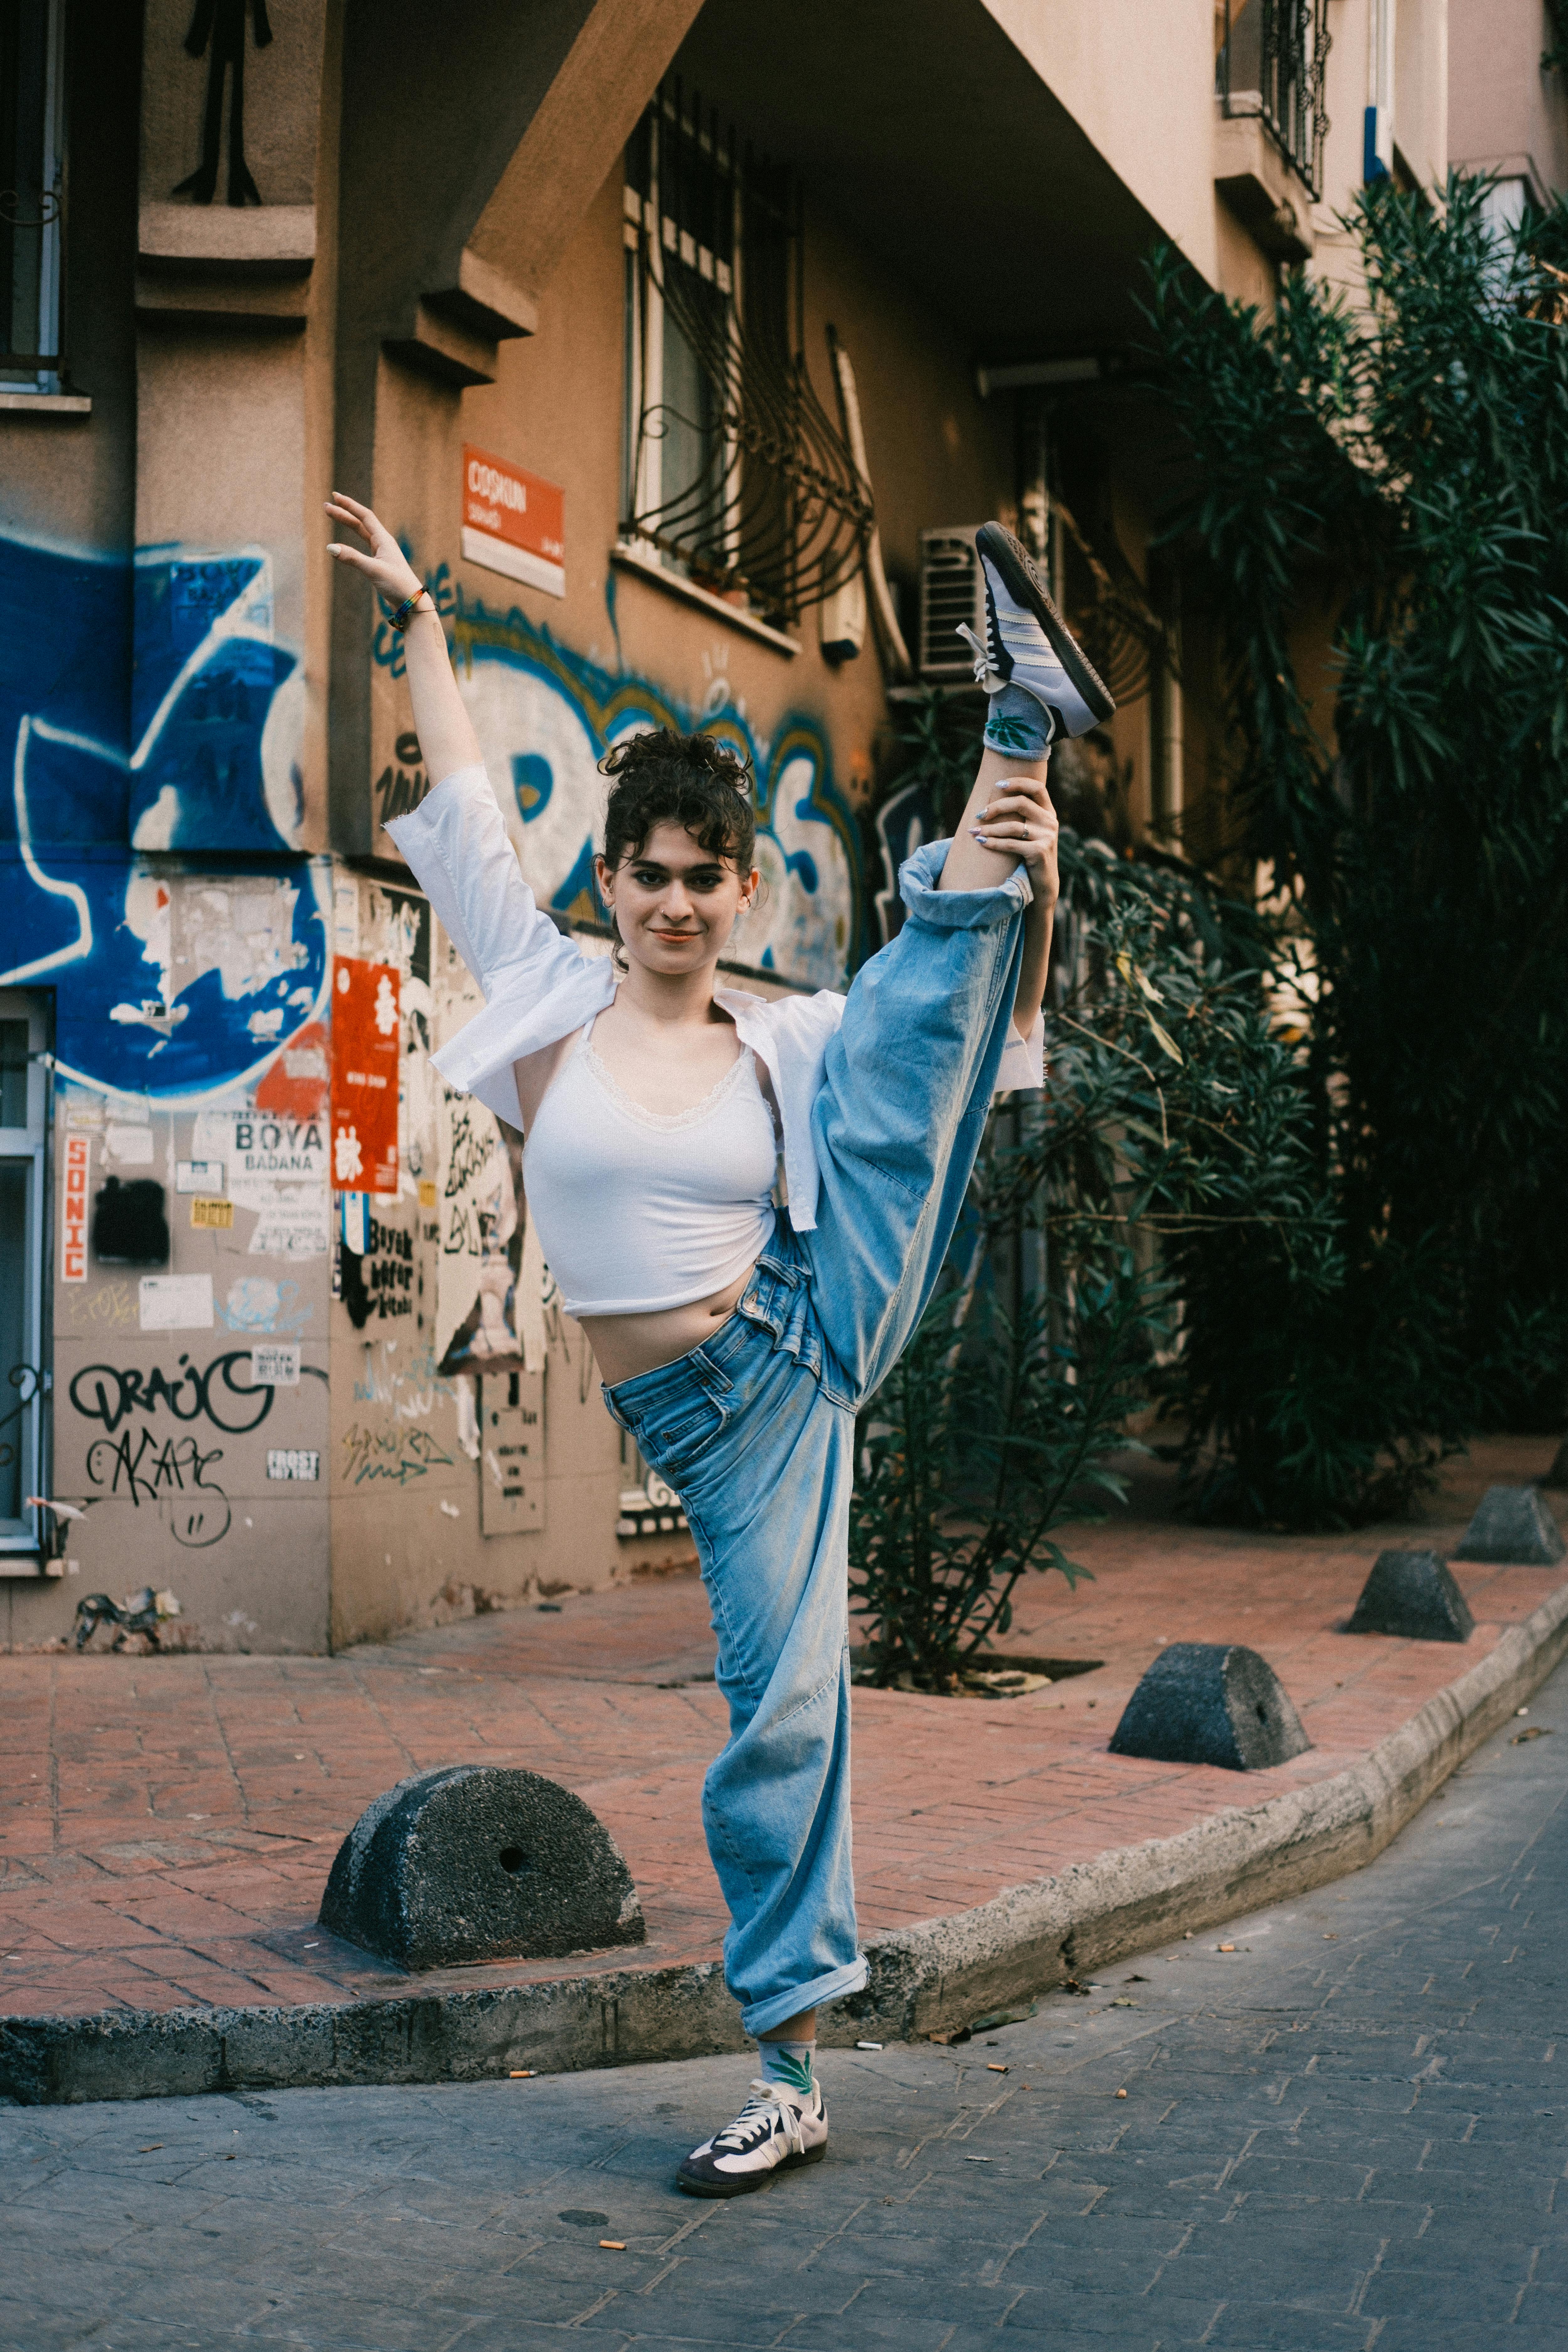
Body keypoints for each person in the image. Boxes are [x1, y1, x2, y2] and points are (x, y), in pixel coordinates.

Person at [325, 492, 1114, 2195]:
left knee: (780, 1711)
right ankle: (1021, 734)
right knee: (779, 1706)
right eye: (649, 875)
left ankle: (788, 2074)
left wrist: (1030, 899)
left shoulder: (787, 1041)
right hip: (683, 1414)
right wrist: (421, 627)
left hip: (791, 1365)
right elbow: (461, 821)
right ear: (612, 880)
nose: (676, 903)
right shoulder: (546, 1005)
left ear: (742, 887)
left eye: (704, 879)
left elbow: (983, 1047)